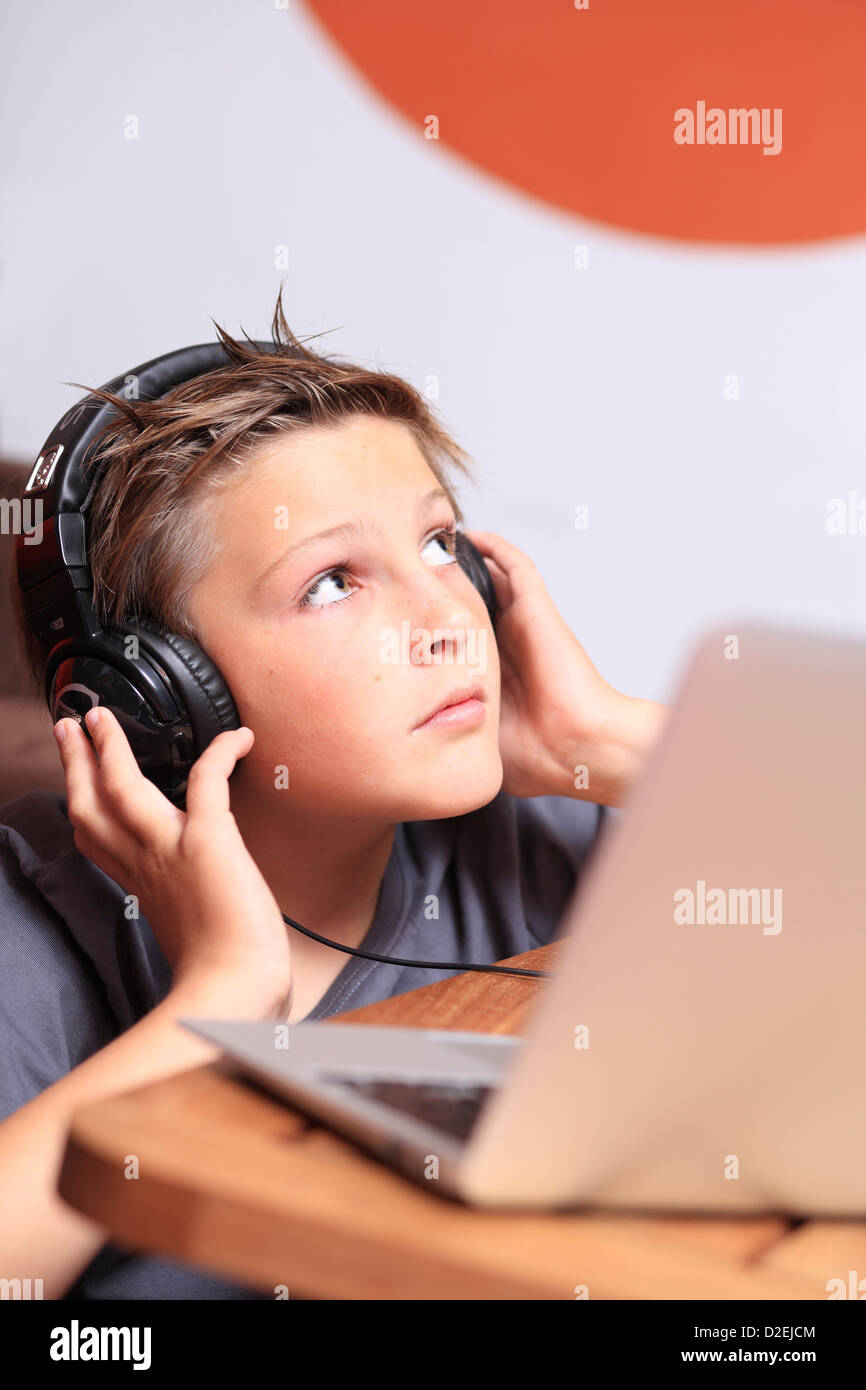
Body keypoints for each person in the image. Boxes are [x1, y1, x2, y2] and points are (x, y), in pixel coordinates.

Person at [0, 289, 668, 1299]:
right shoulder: (33, 933)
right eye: (330, 581)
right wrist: (222, 991)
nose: (447, 616)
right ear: (160, 690)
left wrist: (604, 741)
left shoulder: (541, 842)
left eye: (440, 544)